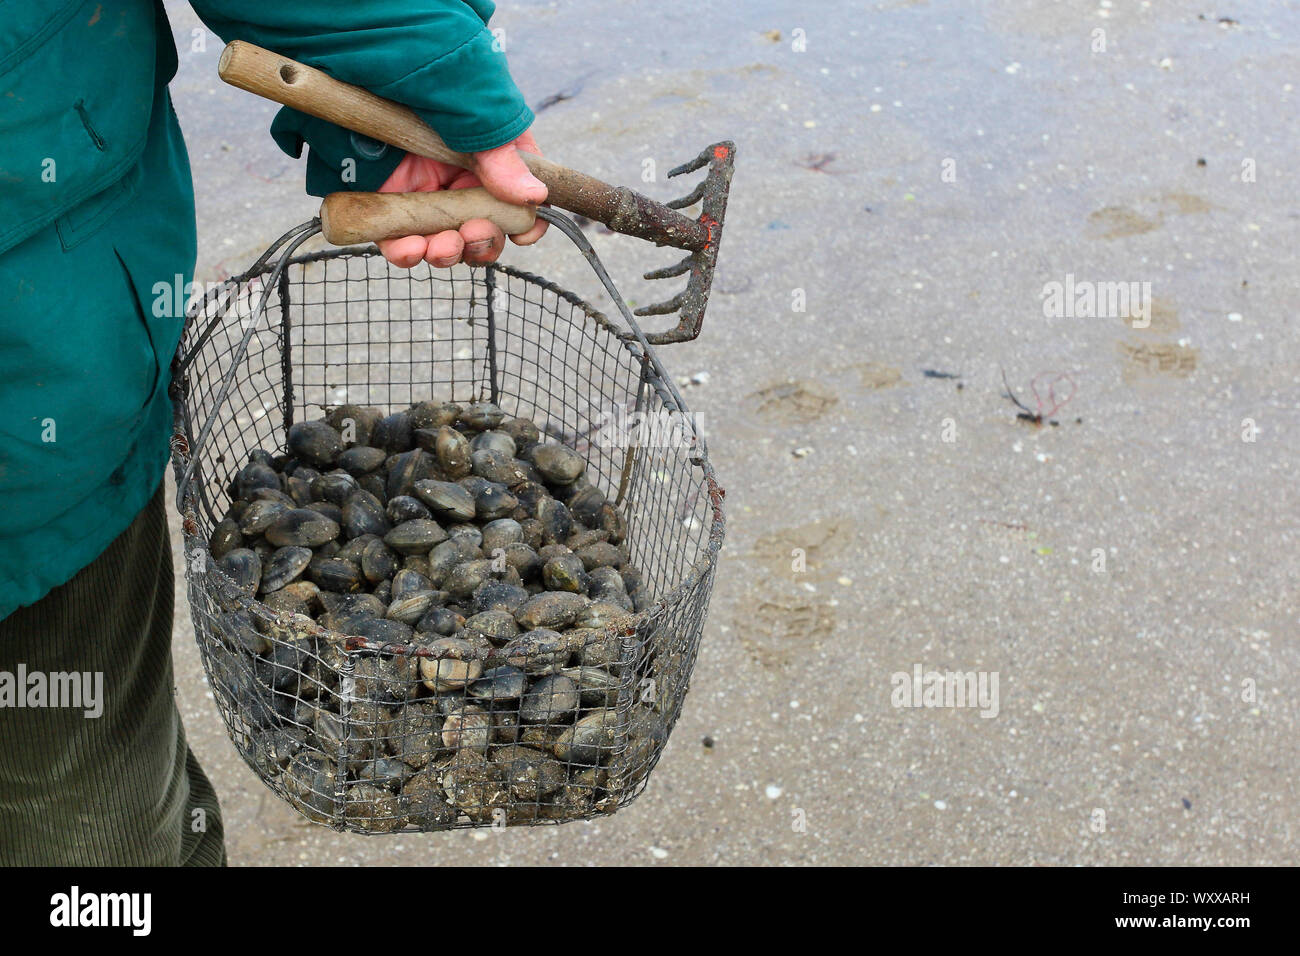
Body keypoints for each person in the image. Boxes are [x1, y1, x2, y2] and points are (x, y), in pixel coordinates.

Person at [0, 0, 546, 866]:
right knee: (92, 831)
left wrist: (410, 67)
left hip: (42, 438)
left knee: (91, 837)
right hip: (49, 394)